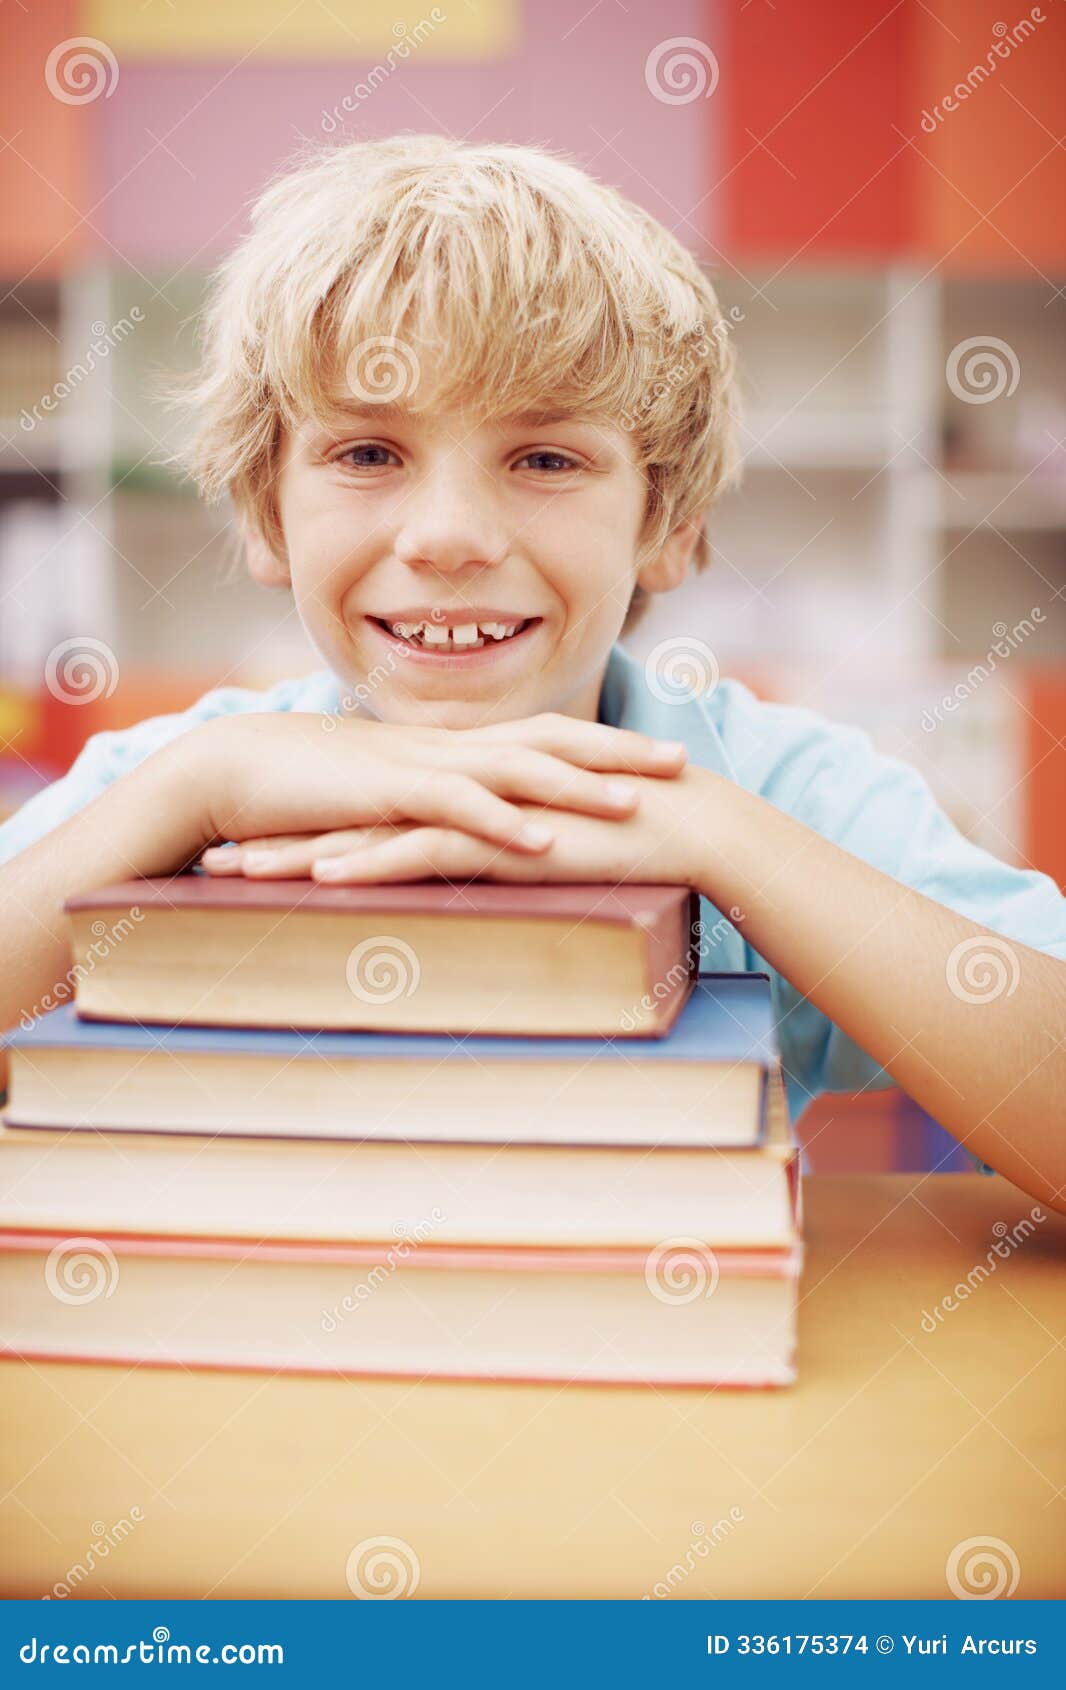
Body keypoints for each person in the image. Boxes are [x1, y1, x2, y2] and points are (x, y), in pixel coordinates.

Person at [1, 135, 1063, 1207]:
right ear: (265, 515)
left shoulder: (774, 787)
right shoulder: (172, 781)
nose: (449, 537)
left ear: (670, 525)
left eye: (546, 459)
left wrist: (715, 836)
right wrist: (193, 791)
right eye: (367, 454)